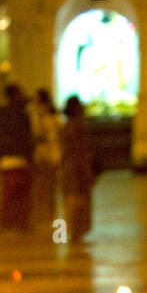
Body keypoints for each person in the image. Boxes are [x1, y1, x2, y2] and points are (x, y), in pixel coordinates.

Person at [0, 83, 33, 232]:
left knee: (8, 193)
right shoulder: (22, 115)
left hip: (5, 158)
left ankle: (5, 223)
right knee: (21, 194)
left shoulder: (1, 113)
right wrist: (30, 158)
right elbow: (26, 138)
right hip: (20, 159)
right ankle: (21, 223)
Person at [61, 95, 96, 243]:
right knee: (77, 199)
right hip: (76, 167)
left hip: (71, 167)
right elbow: (81, 149)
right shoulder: (76, 127)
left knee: (74, 198)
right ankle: (75, 230)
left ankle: (75, 231)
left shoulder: (69, 126)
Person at [30, 88, 62, 225]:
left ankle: (46, 213)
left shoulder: (44, 118)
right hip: (47, 154)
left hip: (46, 154)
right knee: (45, 186)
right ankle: (46, 212)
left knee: (45, 186)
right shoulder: (51, 118)